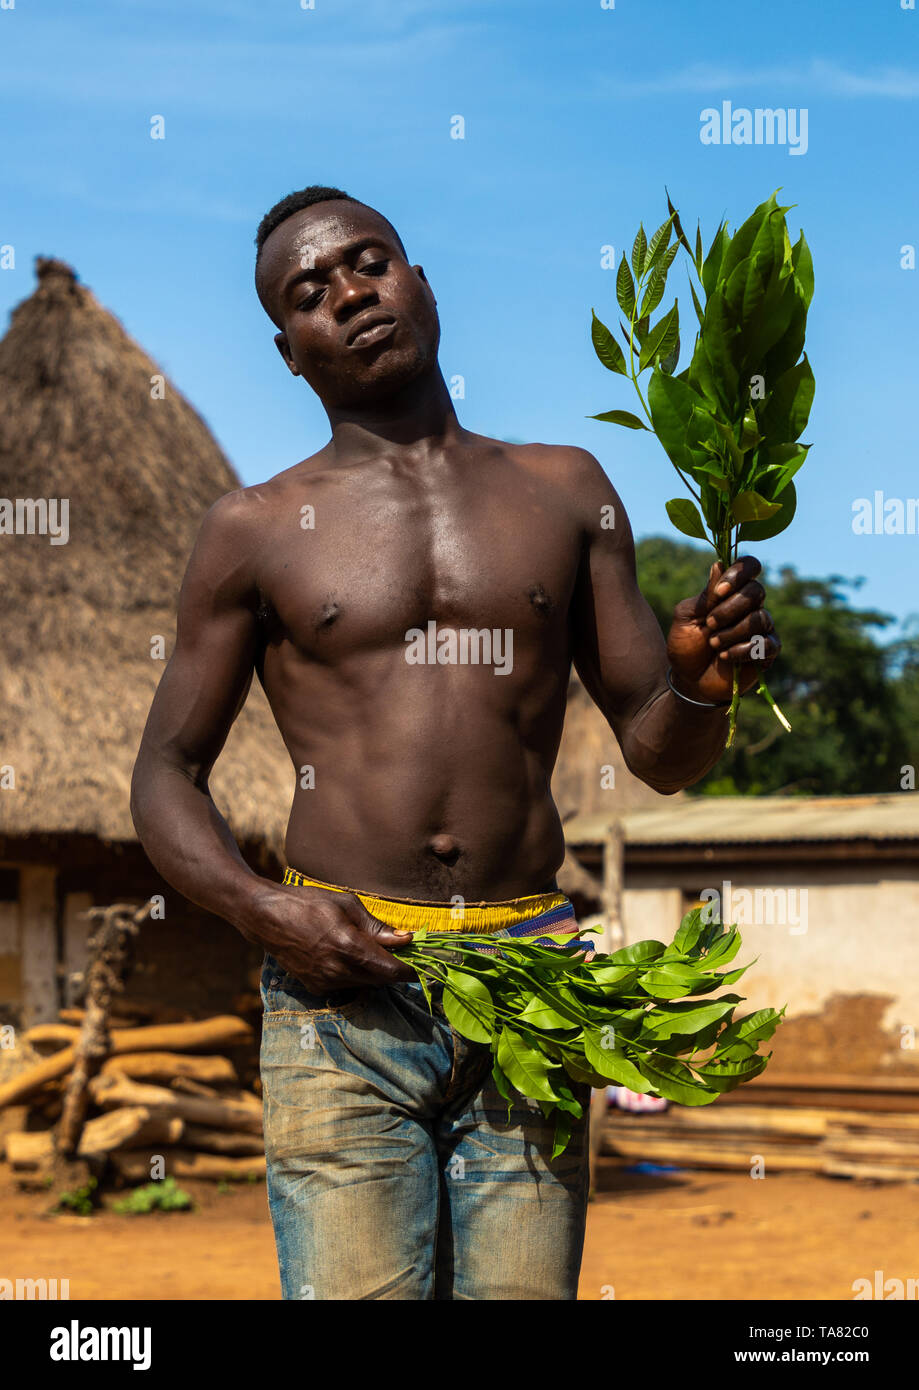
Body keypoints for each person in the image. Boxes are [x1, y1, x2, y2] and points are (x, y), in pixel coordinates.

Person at [130, 185, 780, 1300]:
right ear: (288, 350)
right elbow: (162, 774)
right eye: (310, 291)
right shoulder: (249, 530)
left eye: (368, 262)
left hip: (535, 979)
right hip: (343, 997)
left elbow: (659, 753)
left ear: (419, 280)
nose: (349, 293)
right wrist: (263, 908)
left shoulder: (565, 488)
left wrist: (699, 683)